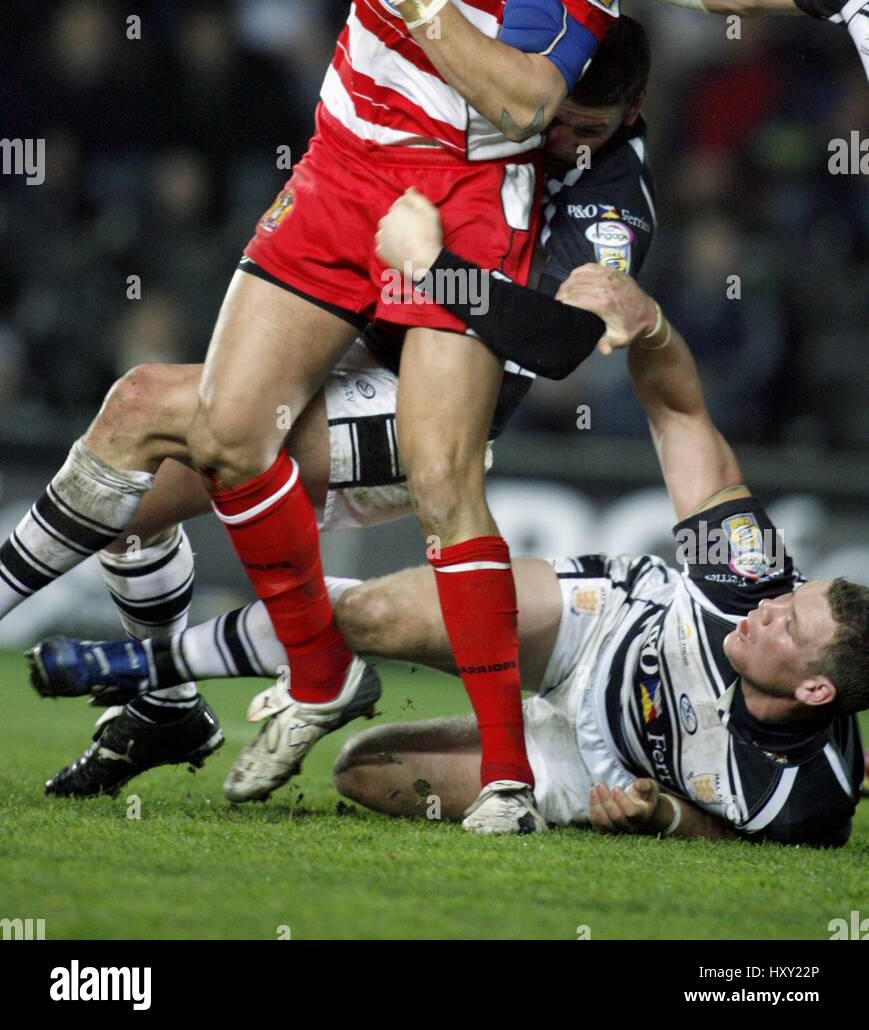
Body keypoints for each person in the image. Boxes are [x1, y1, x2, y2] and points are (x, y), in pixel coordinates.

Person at [6, 0, 865, 799]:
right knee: (127, 507)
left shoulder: (608, 202)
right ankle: (169, 704)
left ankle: (288, 687)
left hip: (425, 416)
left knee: (151, 408)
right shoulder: (498, 77)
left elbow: (559, 343)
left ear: (631, 112)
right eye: (558, 114)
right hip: (342, 355)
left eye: (587, 131)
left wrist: (435, 271)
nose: (558, 139)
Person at [176, 0, 637, 833]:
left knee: (441, 482)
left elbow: (527, 97)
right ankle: (319, 671)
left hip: (469, 198)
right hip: (340, 169)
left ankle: (504, 781)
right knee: (227, 435)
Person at [30, 268, 869, 845]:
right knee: (369, 614)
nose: (769, 602)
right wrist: (650, 327)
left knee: (366, 772)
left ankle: (518, 749)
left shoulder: (812, 801)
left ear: (814, 688)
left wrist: (659, 819)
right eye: (781, 597)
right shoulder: (748, 573)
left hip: (592, 767)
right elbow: (684, 421)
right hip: (598, 630)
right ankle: (140, 665)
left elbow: (732, 828)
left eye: (786, 622)